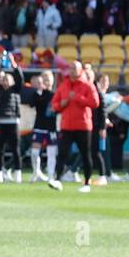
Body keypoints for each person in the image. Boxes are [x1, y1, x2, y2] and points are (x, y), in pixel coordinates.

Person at [53, 60, 99, 193]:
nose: (72, 70)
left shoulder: (87, 85)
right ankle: (58, 180)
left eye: (75, 68)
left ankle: (86, 183)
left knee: (85, 154)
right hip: (67, 125)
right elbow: (55, 104)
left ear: (81, 70)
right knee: (62, 153)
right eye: (71, 68)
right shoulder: (64, 85)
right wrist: (63, 103)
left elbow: (95, 103)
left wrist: (78, 98)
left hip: (83, 125)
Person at [0, 55, 25, 184]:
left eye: (7, 80)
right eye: (3, 79)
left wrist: (14, 64)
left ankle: (18, 173)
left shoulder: (16, 90)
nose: (4, 82)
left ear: (12, 82)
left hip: (13, 123)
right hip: (1, 123)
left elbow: (20, 78)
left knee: (16, 150)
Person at [23, 69, 60, 188]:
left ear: (52, 81)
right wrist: (37, 93)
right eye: (44, 79)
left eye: (48, 79)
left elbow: (58, 109)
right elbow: (32, 104)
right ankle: (36, 172)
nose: (46, 82)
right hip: (39, 125)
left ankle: (50, 175)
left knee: (51, 153)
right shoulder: (38, 93)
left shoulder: (55, 94)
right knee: (34, 152)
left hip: (51, 128)